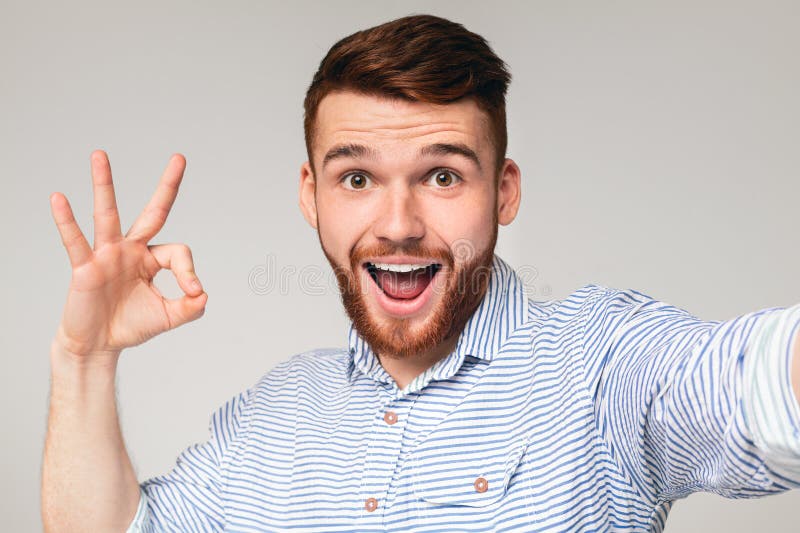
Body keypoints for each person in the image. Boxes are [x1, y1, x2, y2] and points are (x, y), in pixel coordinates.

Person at [41, 14, 800, 533]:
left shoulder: (602, 360)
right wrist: (84, 358)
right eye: (357, 179)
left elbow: (749, 379)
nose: (399, 224)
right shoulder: (268, 422)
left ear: (503, 191)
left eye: (441, 176)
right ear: (312, 195)